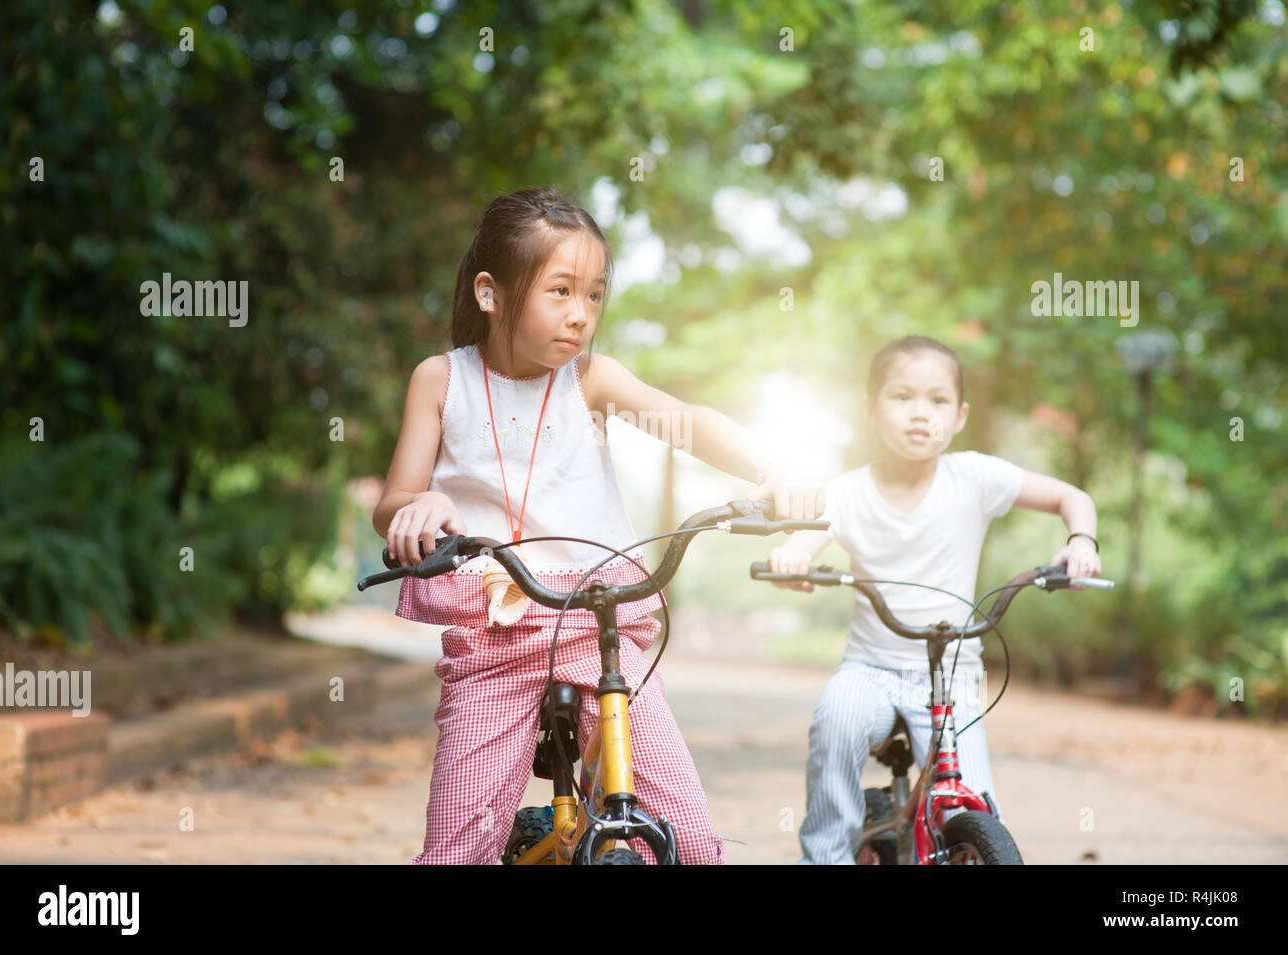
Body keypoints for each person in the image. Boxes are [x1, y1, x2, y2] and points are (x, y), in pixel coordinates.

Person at [373, 187, 824, 864]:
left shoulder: (592, 380)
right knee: (457, 849)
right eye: (560, 291)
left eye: (593, 295)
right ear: (491, 293)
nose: (580, 315)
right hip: (495, 633)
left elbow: (689, 422)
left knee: (692, 844)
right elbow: (395, 499)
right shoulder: (442, 381)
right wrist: (420, 506)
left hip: (599, 625)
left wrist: (770, 471)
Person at [767, 335, 1102, 864]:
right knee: (837, 716)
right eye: (901, 397)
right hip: (869, 669)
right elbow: (805, 538)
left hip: (953, 679)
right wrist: (793, 558)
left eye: (937, 400)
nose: (920, 414)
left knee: (973, 811)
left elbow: (1071, 497)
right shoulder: (847, 492)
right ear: (870, 410)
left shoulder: (974, 477)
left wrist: (1081, 540)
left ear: (960, 414)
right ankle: (826, 855)